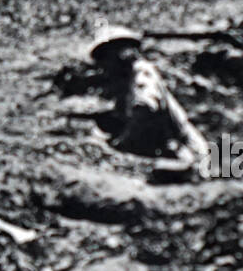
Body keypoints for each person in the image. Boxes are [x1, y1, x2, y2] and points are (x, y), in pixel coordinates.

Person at [89, 26, 209, 167]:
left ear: (119, 54)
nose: (104, 66)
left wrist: (121, 143)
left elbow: (145, 109)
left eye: (106, 57)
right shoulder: (125, 83)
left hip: (186, 152)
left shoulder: (141, 72)